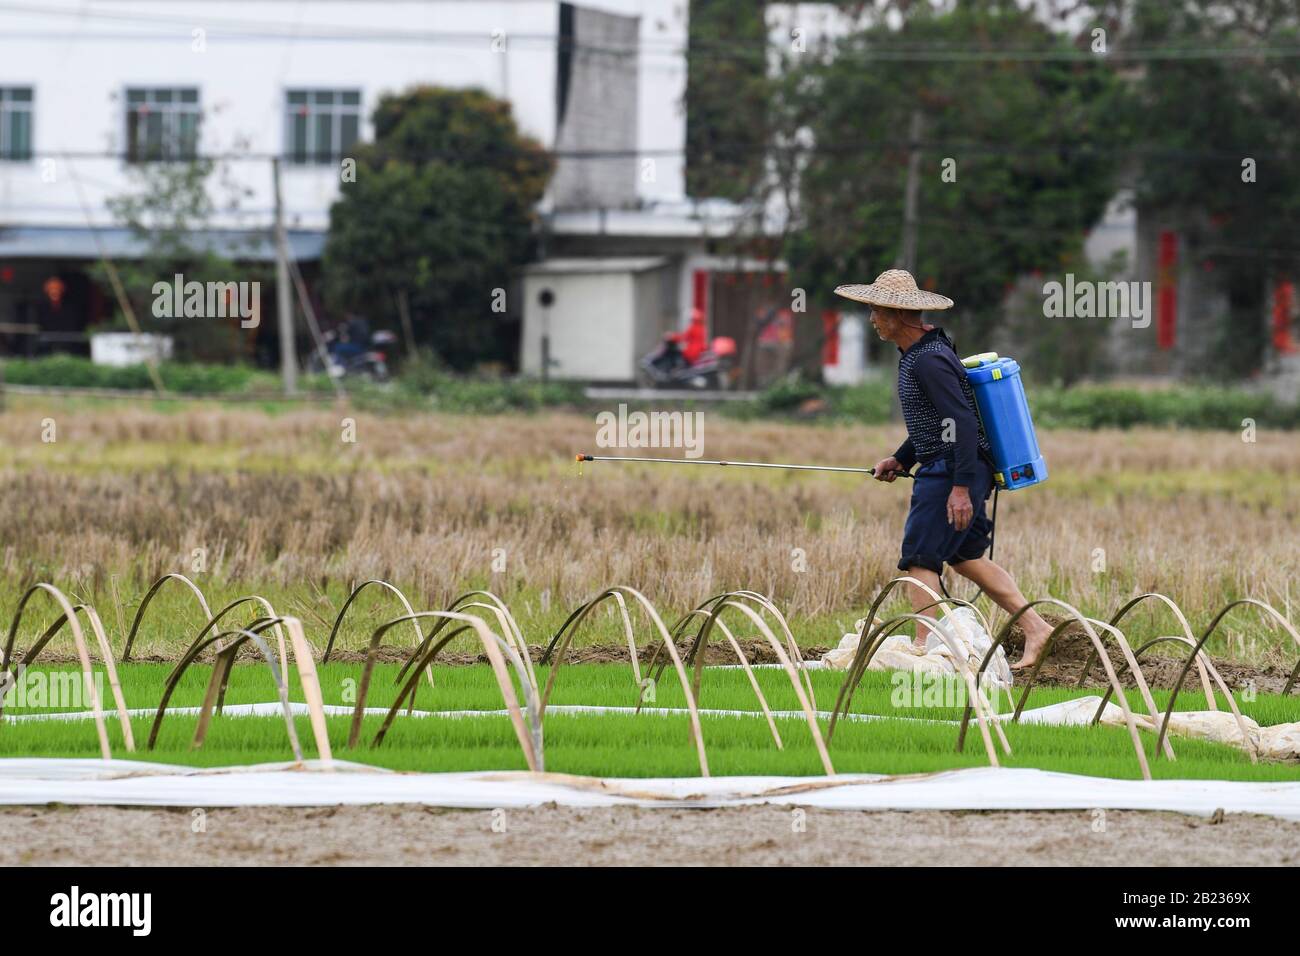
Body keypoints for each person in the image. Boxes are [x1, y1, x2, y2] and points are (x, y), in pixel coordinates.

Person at [834, 269, 1054, 668]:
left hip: (952, 469)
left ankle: (927, 650)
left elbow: (964, 423)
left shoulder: (929, 361)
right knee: (967, 556)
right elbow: (936, 423)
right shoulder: (919, 354)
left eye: (874, 311)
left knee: (920, 559)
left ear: (895, 314)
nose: (871, 320)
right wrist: (901, 459)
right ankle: (1037, 628)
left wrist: (959, 487)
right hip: (954, 465)